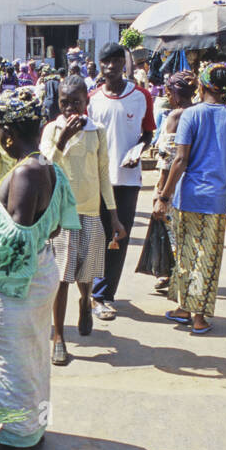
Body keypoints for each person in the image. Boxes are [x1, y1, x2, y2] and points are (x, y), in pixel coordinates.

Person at [0, 87, 79, 450]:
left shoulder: (27, 170)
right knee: (29, 360)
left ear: (8, 134)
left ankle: (17, 444)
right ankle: (32, 428)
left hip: (15, 287)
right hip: (34, 279)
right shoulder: (45, 165)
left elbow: (16, 242)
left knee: (9, 363)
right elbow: (51, 228)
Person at [153, 63, 226, 334]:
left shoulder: (191, 116)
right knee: (208, 257)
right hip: (216, 199)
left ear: (202, 87)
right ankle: (188, 310)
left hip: (188, 196)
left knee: (186, 255)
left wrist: (163, 196)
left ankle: (195, 314)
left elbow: (180, 160)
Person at [43, 75, 125, 364]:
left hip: (90, 212)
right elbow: (43, 167)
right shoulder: (52, 130)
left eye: (75, 103)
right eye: (64, 104)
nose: (70, 110)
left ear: (87, 103)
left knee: (86, 273)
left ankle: (86, 304)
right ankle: (59, 337)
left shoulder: (97, 131)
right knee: (61, 277)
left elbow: (104, 174)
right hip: (62, 216)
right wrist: (62, 139)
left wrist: (113, 215)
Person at [88, 43, 156, 321]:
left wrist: (138, 151)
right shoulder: (92, 100)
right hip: (96, 180)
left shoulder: (141, 96)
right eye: (106, 62)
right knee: (98, 236)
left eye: (116, 61)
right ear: (100, 65)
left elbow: (148, 134)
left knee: (119, 238)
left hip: (127, 180)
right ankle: (94, 291)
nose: (111, 67)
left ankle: (103, 295)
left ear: (124, 64)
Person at [150, 70, 199, 294]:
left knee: (173, 234)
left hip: (174, 184)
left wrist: (160, 191)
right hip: (196, 183)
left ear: (172, 93)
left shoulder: (175, 117)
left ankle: (176, 280)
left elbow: (168, 158)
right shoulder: (201, 112)